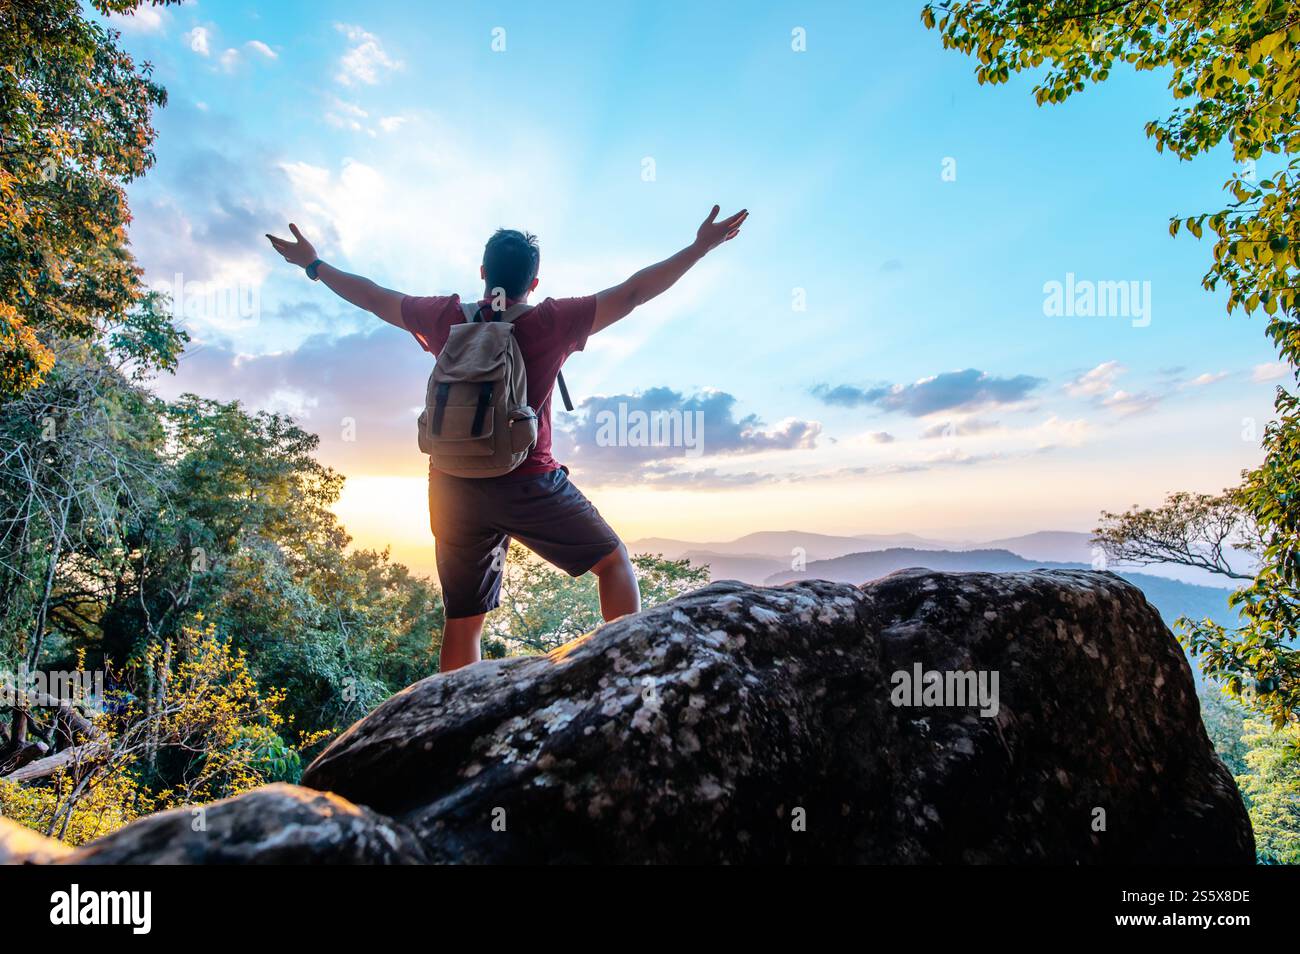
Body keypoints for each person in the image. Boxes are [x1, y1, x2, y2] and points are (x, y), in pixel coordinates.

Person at [266, 205, 748, 671]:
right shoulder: (551, 321)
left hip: (452, 487)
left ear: (482, 272)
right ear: (533, 283)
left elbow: (372, 296)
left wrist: (313, 264)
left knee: (463, 624)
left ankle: (452, 724)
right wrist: (699, 248)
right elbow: (635, 292)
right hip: (529, 482)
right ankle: (629, 676)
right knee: (614, 562)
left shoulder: (446, 316)